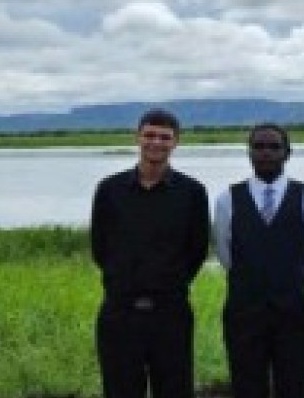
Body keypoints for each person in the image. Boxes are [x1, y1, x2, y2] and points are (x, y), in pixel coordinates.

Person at [90, 108, 211, 398]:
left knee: (175, 390)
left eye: (164, 137)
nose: (156, 142)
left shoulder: (192, 192)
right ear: (138, 137)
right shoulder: (109, 190)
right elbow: (100, 248)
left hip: (171, 313)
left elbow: (197, 250)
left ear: (176, 142)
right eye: (149, 135)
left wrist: (168, 281)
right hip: (120, 312)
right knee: (120, 389)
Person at [212, 124, 304, 398]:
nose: (266, 153)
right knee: (246, 385)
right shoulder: (228, 199)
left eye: (274, 147)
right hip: (244, 311)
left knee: (295, 384)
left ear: (287, 153)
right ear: (249, 153)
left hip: (293, 311)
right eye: (259, 147)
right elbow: (225, 252)